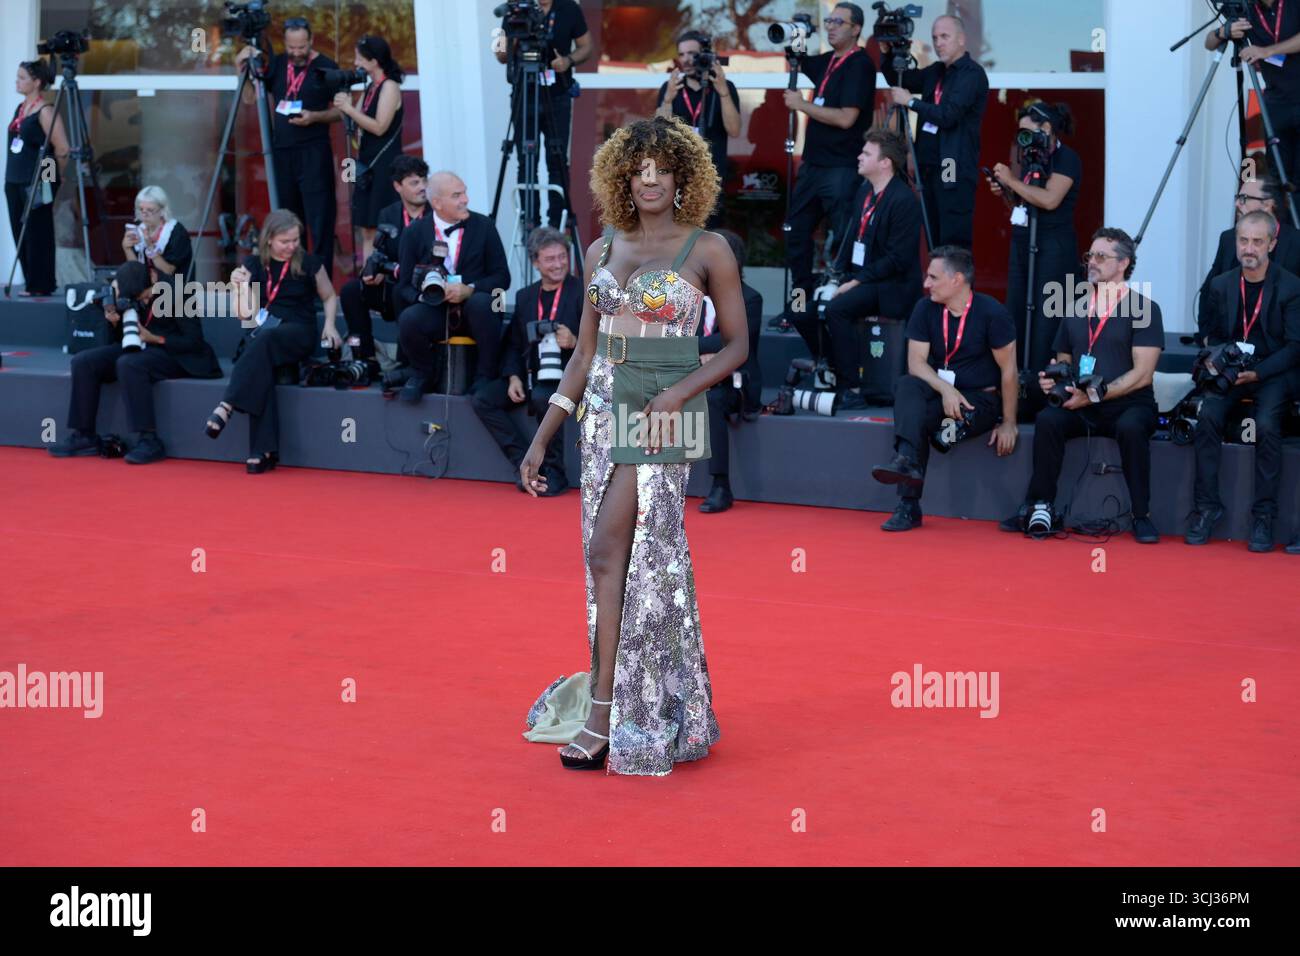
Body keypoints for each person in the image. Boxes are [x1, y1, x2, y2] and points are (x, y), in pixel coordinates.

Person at [519, 116, 747, 774]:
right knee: (616, 566)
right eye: (638, 169)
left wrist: (680, 393)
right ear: (622, 177)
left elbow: (736, 346)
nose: (649, 179)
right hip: (601, 413)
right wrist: (543, 436)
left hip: (664, 410)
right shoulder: (599, 248)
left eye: (661, 168)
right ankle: (641, 704)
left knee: (617, 548)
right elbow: (585, 354)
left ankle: (605, 714)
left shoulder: (708, 249)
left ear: (683, 176)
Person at [1000, 227, 1164, 543]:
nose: (1092, 262)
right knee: (1048, 419)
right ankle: (1038, 506)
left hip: (1128, 403)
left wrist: (1093, 396)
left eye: (1102, 256)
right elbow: (1063, 360)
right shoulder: (1074, 306)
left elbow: (1143, 374)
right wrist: (1055, 381)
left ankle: (1141, 515)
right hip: (1081, 402)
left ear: (1123, 263)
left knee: (1132, 428)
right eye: (1090, 255)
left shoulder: (1144, 309)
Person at [871, 246, 1018, 531]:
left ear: (957, 280)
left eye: (933, 278)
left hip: (979, 403)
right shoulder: (925, 308)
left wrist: (1009, 422)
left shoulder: (992, 313)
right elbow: (916, 363)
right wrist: (946, 390)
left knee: (927, 428)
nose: (926, 284)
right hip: (940, 394)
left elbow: (1009, 372)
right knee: (907, 384)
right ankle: (906, 465)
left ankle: (908, 499)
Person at [1188, 210, 1300, 551]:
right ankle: (1207, 508)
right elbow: (1213, 335)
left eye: (1257, 241)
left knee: (1266, 424)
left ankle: (1264, 516)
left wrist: (1259, 372)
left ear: (1272, 244)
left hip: (1275, 371)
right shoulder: (1222, 285)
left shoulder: (1291, 287)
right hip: (1234, 373)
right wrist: (1218, 362)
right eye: (1243, 240)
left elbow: (1296, 347)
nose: (1248, 248)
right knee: (1207, 416)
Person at [793, 127, 921, 410]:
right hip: (861, 278)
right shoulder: (865, 191)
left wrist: (856, 282)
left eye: (867, 153)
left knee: (838, 309)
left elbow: (898, 259)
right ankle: (827, 362)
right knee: (800, 310)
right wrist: (838, 277)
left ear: (885, 162)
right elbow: (853, 240)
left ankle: (850, 386)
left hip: (891, 285)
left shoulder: (903, 200)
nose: (859, 157)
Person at [204, 209, 340, 473]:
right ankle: (263, 451)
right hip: (262, 334)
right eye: (285, 241)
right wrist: (241, 288)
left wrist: (331, 326)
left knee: (262, 344)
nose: (292, 246)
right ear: (269, 239)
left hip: (297, 332)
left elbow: (330, 296)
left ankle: (226, 405)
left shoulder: (309, 263)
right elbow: (245, 315)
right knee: (262, 362)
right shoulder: (253, 265)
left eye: (295, 240)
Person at [48, 260, 221, 463]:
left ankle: (149, 440)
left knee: (129, 364)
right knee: (83, 361)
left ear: (153, 277)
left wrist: (155, 338)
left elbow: (193, 341)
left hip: (176, 353)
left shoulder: (179, 291)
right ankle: (84, 434)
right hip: (141, 347)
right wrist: (113, 322)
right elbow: (121, 338)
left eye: (146, 296)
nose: (145, 301)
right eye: (140, 299)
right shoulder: (129, 294)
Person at [471, 226, 581, 496]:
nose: (558, 264)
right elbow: (514, 344)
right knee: (483, 399)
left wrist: (576, 341)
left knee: (546, 398)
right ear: (535, 263)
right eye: (550, 259)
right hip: (533, 373)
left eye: (562, 257)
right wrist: (513, 376)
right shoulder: (525, 296)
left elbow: (603, 338)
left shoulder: (583, 292)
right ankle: (525, 463)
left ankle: (555, 473)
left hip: (571, 377)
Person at [782, 3, 877, 301]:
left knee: (843, 238)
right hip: (812, 165)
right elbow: (796, 58)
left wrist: (802, 106)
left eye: (839, 21)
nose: (831, 26)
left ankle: (839, 303)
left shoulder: (860, 65)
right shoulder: (827, 61)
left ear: (856, 29)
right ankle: (800, 304)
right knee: (796, 234)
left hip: (841, 167)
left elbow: (847, 118)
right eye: (829, 21)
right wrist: (798, 32)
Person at [394, 170, 510, 402]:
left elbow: (502, 278)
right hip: (436, 311)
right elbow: (403, 286)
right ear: (437, 203)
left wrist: (471, 289)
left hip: (475, 312)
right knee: (410, 318)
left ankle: (485, 375)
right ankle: (423, 373)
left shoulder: (484, 226)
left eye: (464, 193)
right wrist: (427, 296)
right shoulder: (414, 233)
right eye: (457, 195)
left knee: (483, 302)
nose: (465, 199)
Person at [236, 17, 340, 274]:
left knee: (320, 221)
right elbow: (250, 98)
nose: (296, 53)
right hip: (282, 153)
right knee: (289, 221)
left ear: (311, 41)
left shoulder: (327, 66)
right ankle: (294, 279)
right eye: (292, 48)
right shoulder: (280, 63)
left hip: (314, 152)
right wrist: (240, 68)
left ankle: (320, 283)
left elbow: (343, 111)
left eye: (301, 48)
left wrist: (315, 117)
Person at [986, 101, 1082, 372]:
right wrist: (1006, 191)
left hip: (1053, 248)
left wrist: (1011, 181)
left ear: (1047, 128)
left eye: (1028, 132)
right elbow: (1025, 204)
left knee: (1046, 319)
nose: (1024, 139)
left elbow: (1050, 200)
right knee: (1016, 311)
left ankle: (1045, 379)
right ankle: (1017, 382)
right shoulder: (1030, 158)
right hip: (1024, 243)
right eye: (1021, 134)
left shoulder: (1067, 159)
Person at [882, 13, 988, 249]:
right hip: (927, 168)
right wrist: (887, 52)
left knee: (952, 239)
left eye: (944, 36)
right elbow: (898, 79)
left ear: (961, 39)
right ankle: (939, 283)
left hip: (951, 167)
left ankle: (958, 285)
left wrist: (911, 102)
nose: (938, 42)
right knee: (933, 237)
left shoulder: (972, 74)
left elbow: (948, 115)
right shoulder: (935, 71)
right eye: (935, 37)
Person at [494, 0, 592, 229]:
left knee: (557, 159)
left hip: (557, 94)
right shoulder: (517, 9)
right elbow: (500, 55)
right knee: (526, 160)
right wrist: (510, 35)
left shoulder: (568, 8)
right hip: (524, 93)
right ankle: (530, 224)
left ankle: (558, 223)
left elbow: (586, 47)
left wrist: (568, 61)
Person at [338, 154, 429, 371]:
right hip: (395, 284)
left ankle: (406, 362)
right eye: (415, 182)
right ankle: (366, 359)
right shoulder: (388, 214)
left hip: (423, 289)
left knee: (401, 290)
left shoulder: (435, 213)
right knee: (351, 291)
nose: (422, 187)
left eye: (425, 180)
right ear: (398, 186)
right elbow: (382, 251)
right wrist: (375, 270)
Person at [697, 228, 763, 513]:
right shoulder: (688, 296)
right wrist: (700, 350)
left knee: (712, 400)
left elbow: (735, 342)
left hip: (734, 385)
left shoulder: (749, 298)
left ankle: (721, 485)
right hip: (690, 377)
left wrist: (706, 349)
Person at [1209, 2, 1300, 193]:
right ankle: (1280, 221)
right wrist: (1223, 32)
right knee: (1278, 175)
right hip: (1276, 101)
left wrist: (1268, 51)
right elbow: (1209, 43)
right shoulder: (1247, 9)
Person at [655, 29, 740, 224]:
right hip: (677, 177)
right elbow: (658, 133)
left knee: (709, 237)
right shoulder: (672, 88)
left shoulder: (724, 87)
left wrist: (724, 93)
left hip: (711, 178)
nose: (686, 60)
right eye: (681, 54)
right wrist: (667, 100)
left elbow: (734, 130)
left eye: (692, 54)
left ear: (705, 55)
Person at [332, 34, 404, 259]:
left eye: (360, 59)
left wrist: (350, 109)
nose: (356, 64)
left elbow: (380, 126)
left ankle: (386, 279)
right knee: (366, 228)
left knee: (382, 226)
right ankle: (367, 281)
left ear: (374, 61)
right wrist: (345, 109)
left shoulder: (389, 87)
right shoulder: (370, 88)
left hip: (383, 165)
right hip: (366, 163)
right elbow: (358, 125)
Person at [1197, 173, 1300, 322]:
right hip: (1232, 337)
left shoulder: (1295, 242)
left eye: (1244, 198)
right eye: (1237, 198)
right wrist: (1207, 336)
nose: (1237, 204)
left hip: (1282, 339)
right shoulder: (1228, 238)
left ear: (1267, 204)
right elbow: (1208, 290)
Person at [5, 57, 66, 296]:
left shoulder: (45, 111)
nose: (17, 82)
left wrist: (51, 180)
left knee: (37, 232)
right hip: (14, 180)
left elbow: (60, 149)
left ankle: (41, 284)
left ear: (37, 82)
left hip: (37, 180)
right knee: (18, 232)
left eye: (22, 78)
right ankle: (31, 280)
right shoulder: (20, 109)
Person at [121, 186, 192, 284]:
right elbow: (135, 271)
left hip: (174, 289)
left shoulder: (176, 232)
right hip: (148, 286)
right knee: (117, 285)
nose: (144, 214)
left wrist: (151, 248)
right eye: (141, 209)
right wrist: (127, 248)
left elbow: (168, 271)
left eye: (150, 210)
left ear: (162, 211)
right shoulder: (140, 228)